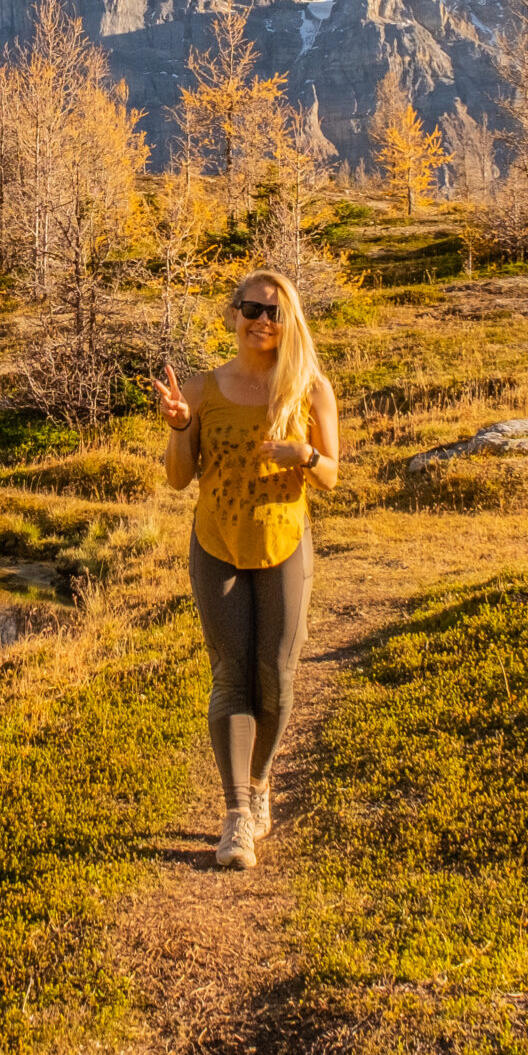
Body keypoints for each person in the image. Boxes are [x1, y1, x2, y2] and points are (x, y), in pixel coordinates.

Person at [150, 269, 340, 871]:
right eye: (251, 309)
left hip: (284, 543)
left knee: (275, 675)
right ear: (232, 314)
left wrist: (303, 453)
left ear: (290, 322)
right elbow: (178, 478)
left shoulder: (310, 389)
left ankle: (259, 783)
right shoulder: (202, 389)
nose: (262, 321)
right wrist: (180, 426)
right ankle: (236, 815)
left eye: (274, 312)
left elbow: (331, 476)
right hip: (217, 543)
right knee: (231, 673)